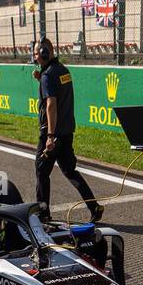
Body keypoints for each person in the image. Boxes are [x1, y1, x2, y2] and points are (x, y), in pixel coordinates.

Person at [33, 38, 103, 223]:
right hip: (66, 133)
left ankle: (43, 214)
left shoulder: (48, 75)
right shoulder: (63, 71)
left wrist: (50, 135)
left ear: (43, 54)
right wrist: (42, 79)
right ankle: (94, 206)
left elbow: (51, 104)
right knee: (70, 171)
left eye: (35, 53)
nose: (34, 56)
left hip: (52, 135)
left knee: (41, 172)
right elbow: (59, 90)